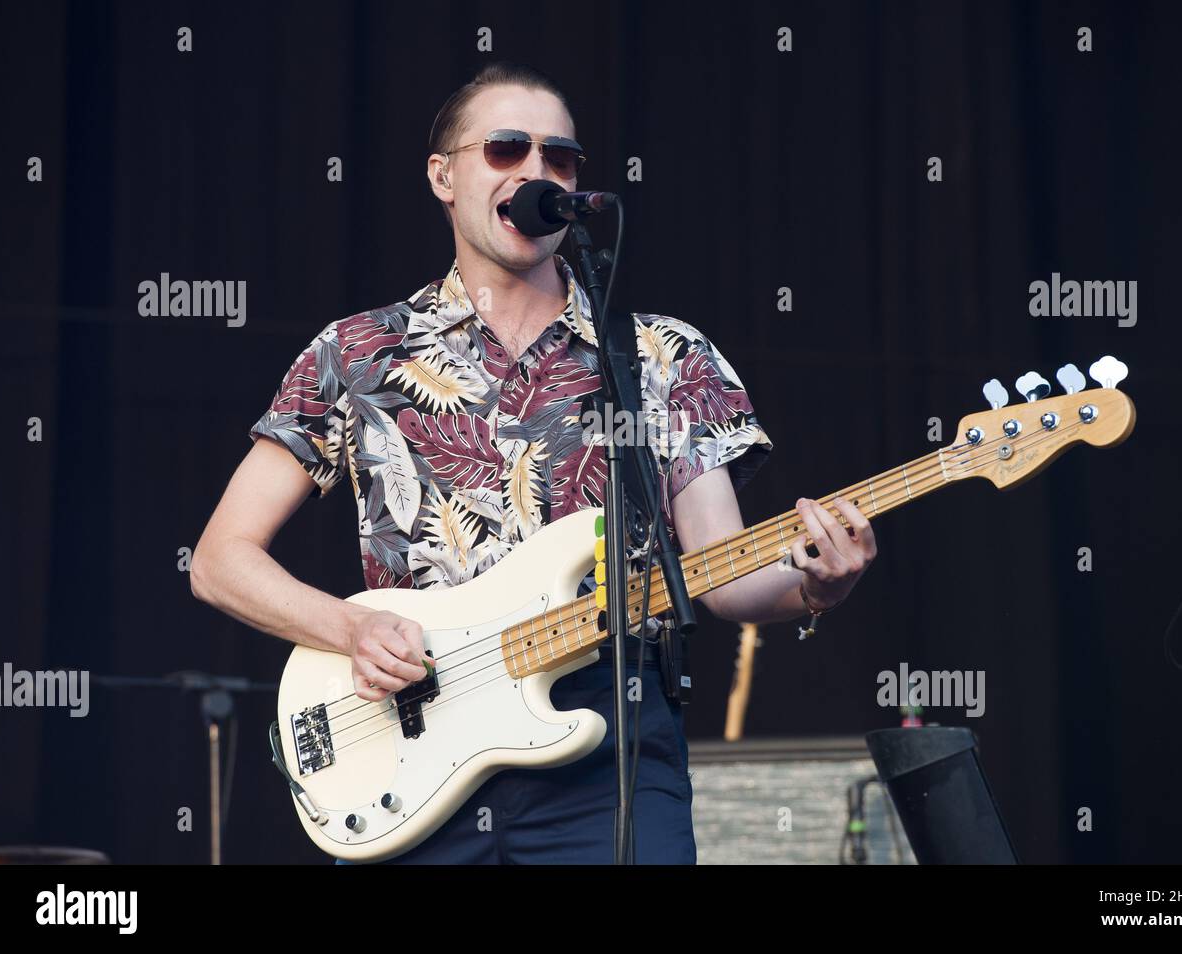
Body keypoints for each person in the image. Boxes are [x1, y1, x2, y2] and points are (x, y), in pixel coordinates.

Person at [190, 62, 877, 864]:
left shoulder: (660, 354)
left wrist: (817, 585)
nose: (537, 173)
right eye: (508, 149)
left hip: (610, 748)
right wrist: (353, 629)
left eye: (561, 158)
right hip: (414, 731)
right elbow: (218, 560)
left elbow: (721, 577)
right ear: (444, 177)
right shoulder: (359, 353)